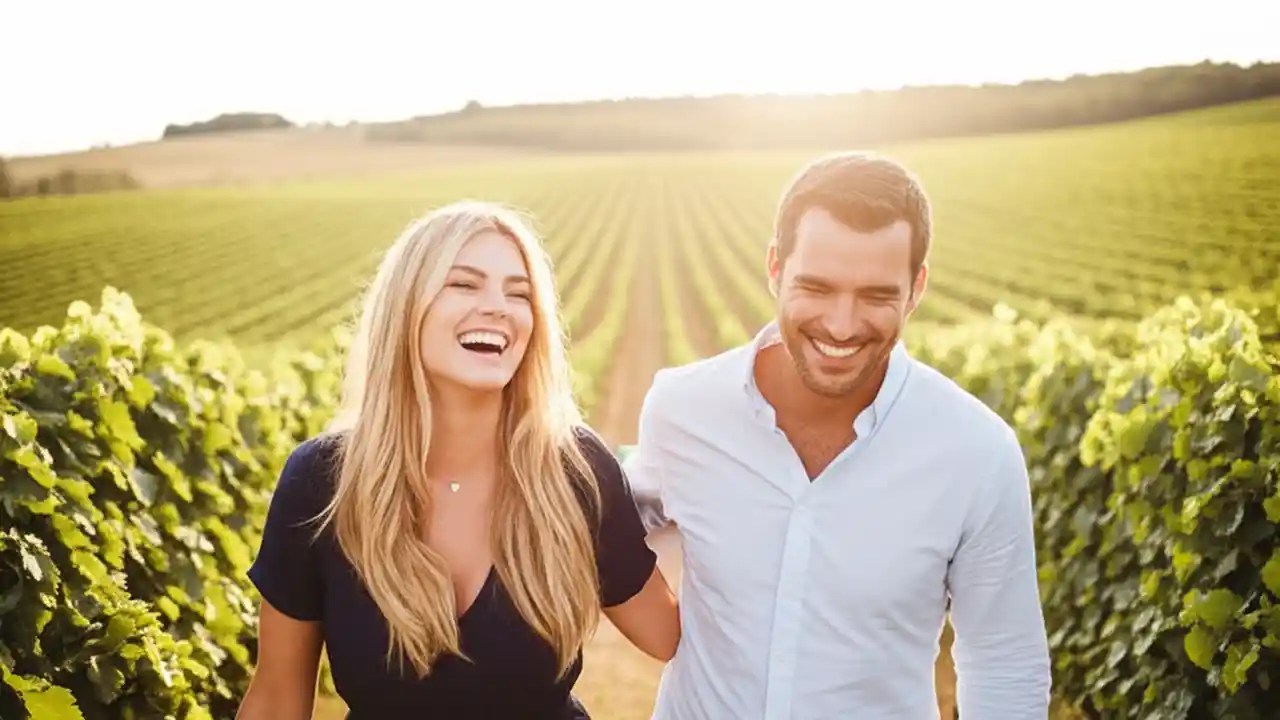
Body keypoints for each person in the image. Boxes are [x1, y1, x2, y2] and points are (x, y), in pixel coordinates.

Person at [626, 151, 1052, 718]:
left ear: (916, 287)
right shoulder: (682, 411)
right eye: (817, 288)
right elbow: (594, 533)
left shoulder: (977, 453)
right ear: (775, 268)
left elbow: (1005, 662)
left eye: (876, 296)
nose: (842, 325)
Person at [237, 200, 680, 720]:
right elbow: (276, 699)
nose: (498, 307)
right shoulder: (321, 482)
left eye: (519, 293)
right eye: (465, 284)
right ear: (407, 309)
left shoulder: (575, 469)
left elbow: (667, 634)